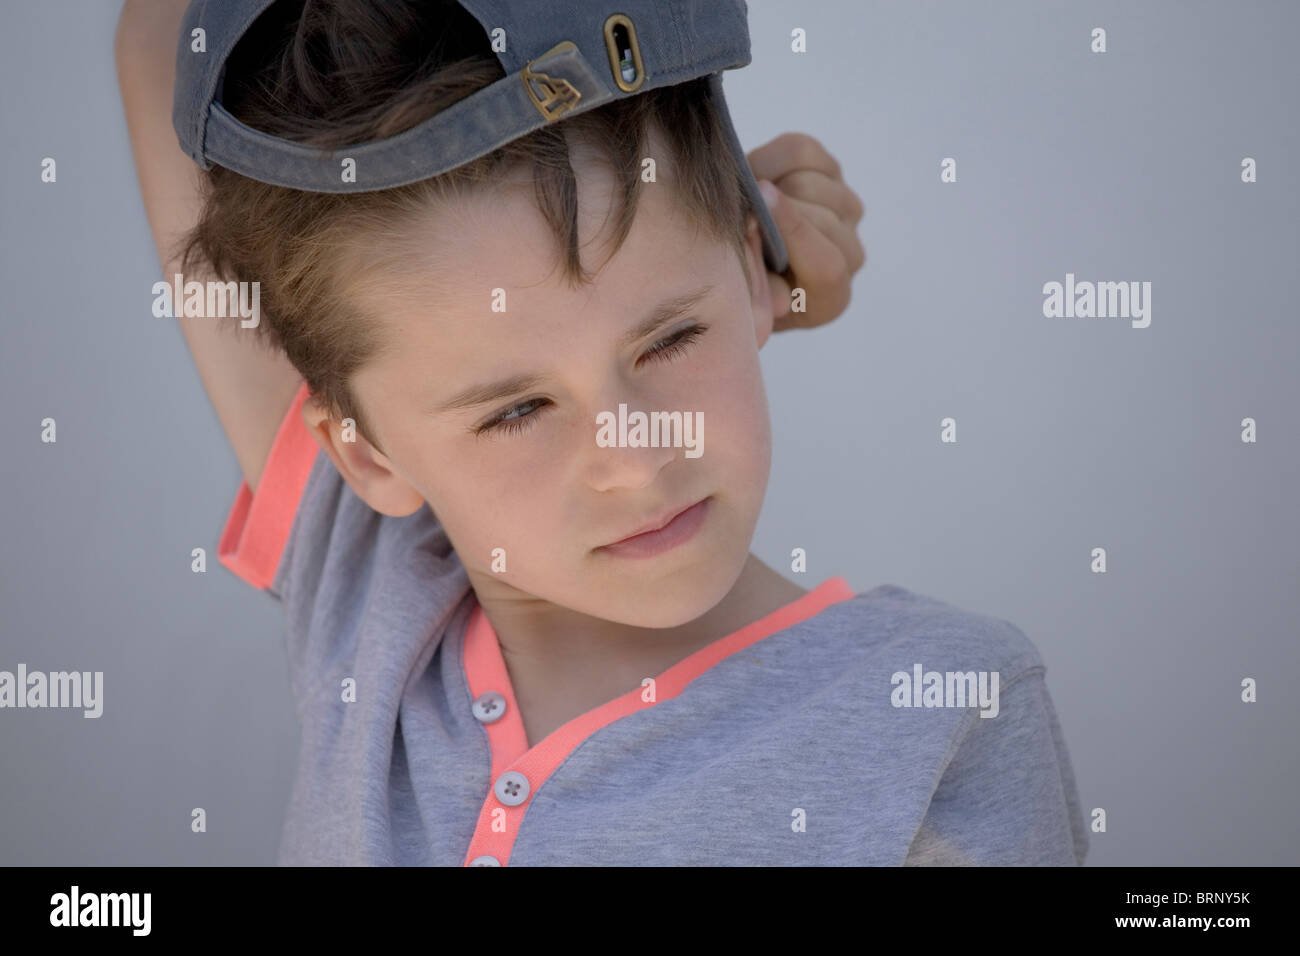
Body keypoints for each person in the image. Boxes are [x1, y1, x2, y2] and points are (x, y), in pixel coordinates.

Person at [116, 0, 1087, 866]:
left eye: (668, 337)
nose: (634, 454)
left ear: (758, 266)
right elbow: (160, 33)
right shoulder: (363, 581)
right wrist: (696, 277)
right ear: (366, 451)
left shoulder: (940, 708)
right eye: (517, 409)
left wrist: (728, 247)